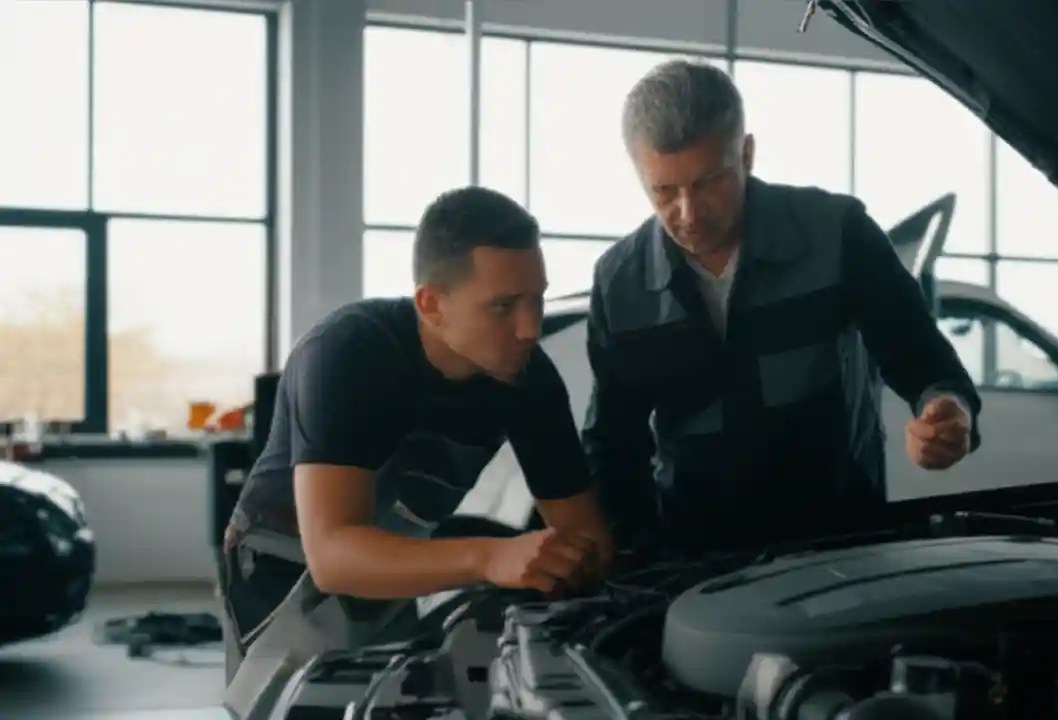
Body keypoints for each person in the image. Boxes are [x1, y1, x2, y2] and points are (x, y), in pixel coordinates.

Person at [220, 186, 613, 717]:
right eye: (502, 307)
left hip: (393, 561)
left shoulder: (528, 380)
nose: (529, 328)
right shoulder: (350, 352)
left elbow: (584, 536)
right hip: (285, 568)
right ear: (431, 304)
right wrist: (491, 557)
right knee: (298, 706)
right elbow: (332, 557)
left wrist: (582, 563)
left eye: (536, 299)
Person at [582, 59, 983, 554]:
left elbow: (922, 359)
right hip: (695, 557)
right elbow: (613, 443)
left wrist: (947, 412)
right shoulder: (619, 283)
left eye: (709, 181)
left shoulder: (838, 233)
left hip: (842, 541)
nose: (688, 213)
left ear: (747, 153)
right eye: (663, 190)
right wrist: (635, 556)